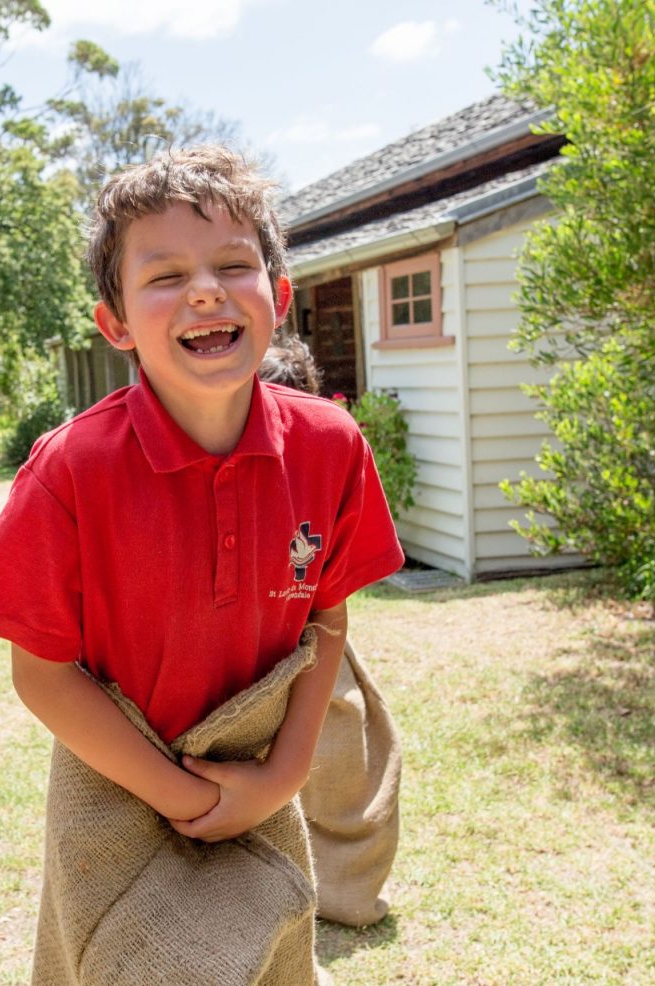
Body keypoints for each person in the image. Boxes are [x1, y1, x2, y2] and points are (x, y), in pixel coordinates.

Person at [0, 146, 404, 984]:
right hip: (114, 786)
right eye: (165, 276)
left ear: (281, 298)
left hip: (262, 778)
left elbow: (326, 618)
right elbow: (43, 675)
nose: (205, 290)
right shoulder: (72, 469)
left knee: (271, 960)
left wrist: (281, 776)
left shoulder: (330, 446)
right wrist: (188, 797)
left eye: (235, 264)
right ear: (114, 323)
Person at [258, 333, 404, 929]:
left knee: (342, 751)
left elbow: (332, 584)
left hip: (313, 637)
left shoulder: (325, 461)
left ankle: (340, 891)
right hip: (262, 651)